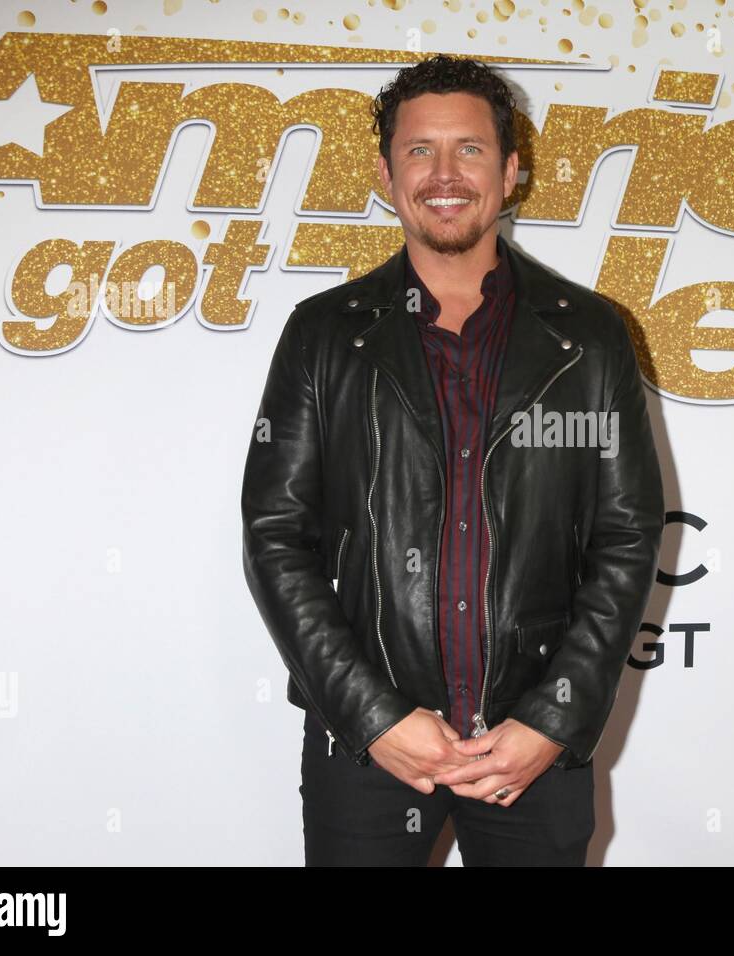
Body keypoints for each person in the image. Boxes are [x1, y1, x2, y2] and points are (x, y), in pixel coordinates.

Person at [241, 54, 664, 866]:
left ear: (510, 170)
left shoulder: (591, 337)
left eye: (469, 150)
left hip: (531, 750)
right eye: (419, 151)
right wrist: (371, 717)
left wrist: (555, 719)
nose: (444, 174)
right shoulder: (324, 334)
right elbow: (275, 537)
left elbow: (624, 538)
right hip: (369, 750)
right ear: (384, 172)